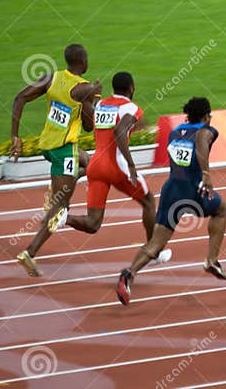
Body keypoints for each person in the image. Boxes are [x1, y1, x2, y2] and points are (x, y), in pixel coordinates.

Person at [116, 97, 226, 305]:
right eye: (209, 116)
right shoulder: (206, 131)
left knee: (156, 244)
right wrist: (206, 174)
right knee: (221, 209)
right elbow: (201, 144)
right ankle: (211, 260)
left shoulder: (175, 131)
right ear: (206, 117)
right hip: (193, 190)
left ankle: (129, 274)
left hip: (171, 190)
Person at [54, 71, 171, 264]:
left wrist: (93, 96)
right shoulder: (132, 108)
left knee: (93, 223)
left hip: (95, 166)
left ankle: (64, 217)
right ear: (131, 88)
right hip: (116, 166)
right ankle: (154, 252)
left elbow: (93, 120)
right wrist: (131, 164)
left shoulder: (101, 104)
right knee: (149, 202)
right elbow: (119, 131)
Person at [10, 44, 101, 277]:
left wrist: (15, 136)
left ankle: (61, 185)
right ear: (83, 62)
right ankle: (29, 252)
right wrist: (94, 99)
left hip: (48, 146)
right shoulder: (84, 88)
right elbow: (89, 126)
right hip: (64, 152)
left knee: (93, 164)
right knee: (60, 211)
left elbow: (19, 98)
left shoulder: (51, 78)